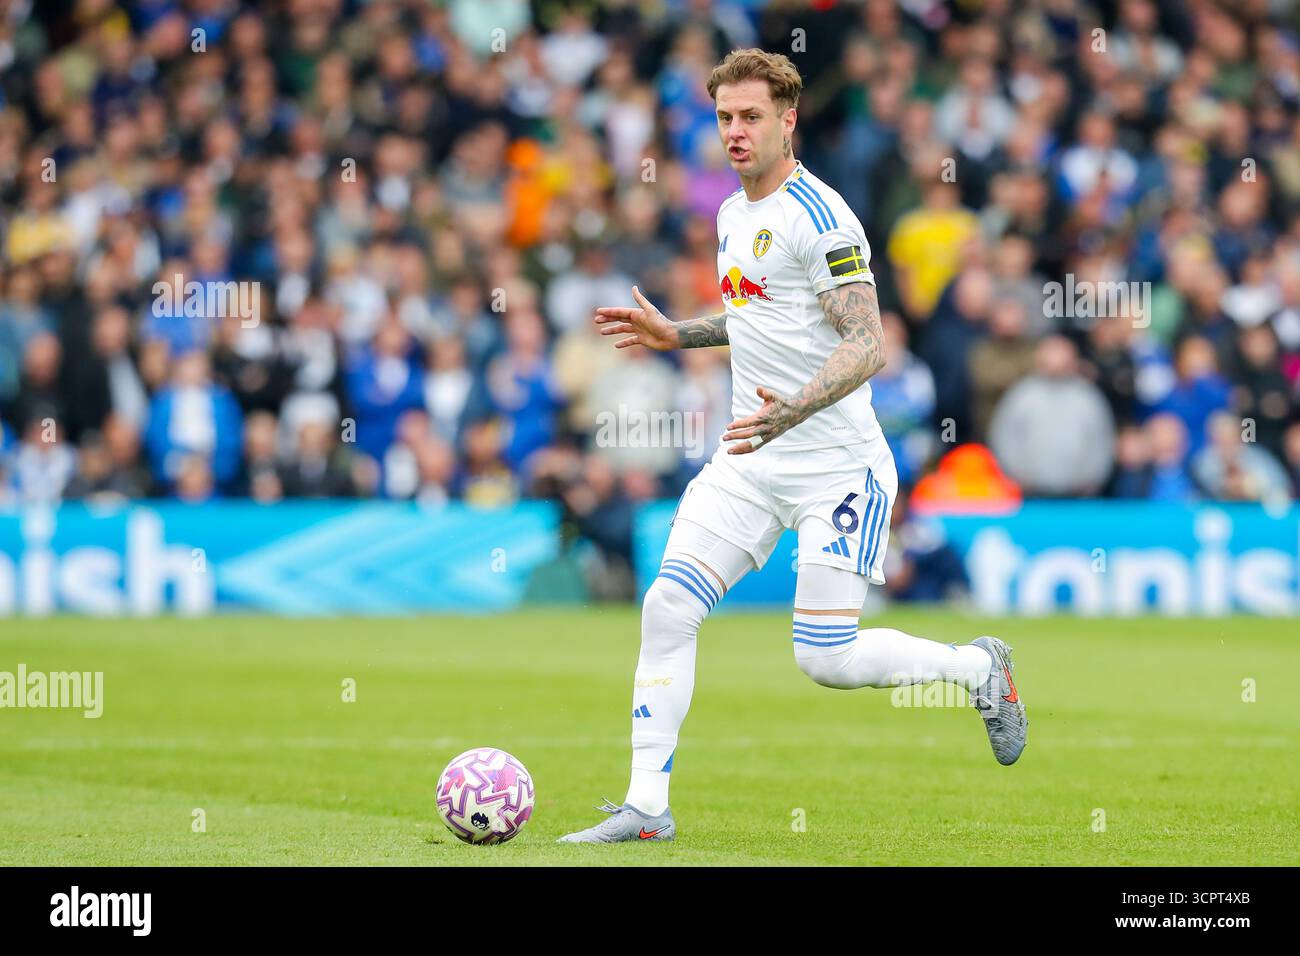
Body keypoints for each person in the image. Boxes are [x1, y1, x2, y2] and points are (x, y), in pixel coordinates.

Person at [559, 49, 1027, 845]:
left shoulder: (823, 218)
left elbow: (867, 342)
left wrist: (793, 411)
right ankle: (646, 808)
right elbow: (754, 314)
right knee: (667, 604)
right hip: (749, 457)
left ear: (788, 120)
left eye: (750, 118)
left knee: (826, 658)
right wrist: (681, 333)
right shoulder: (730, 215)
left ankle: (979, 671)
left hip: (836, 468)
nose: (735, 133)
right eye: (724, 118)